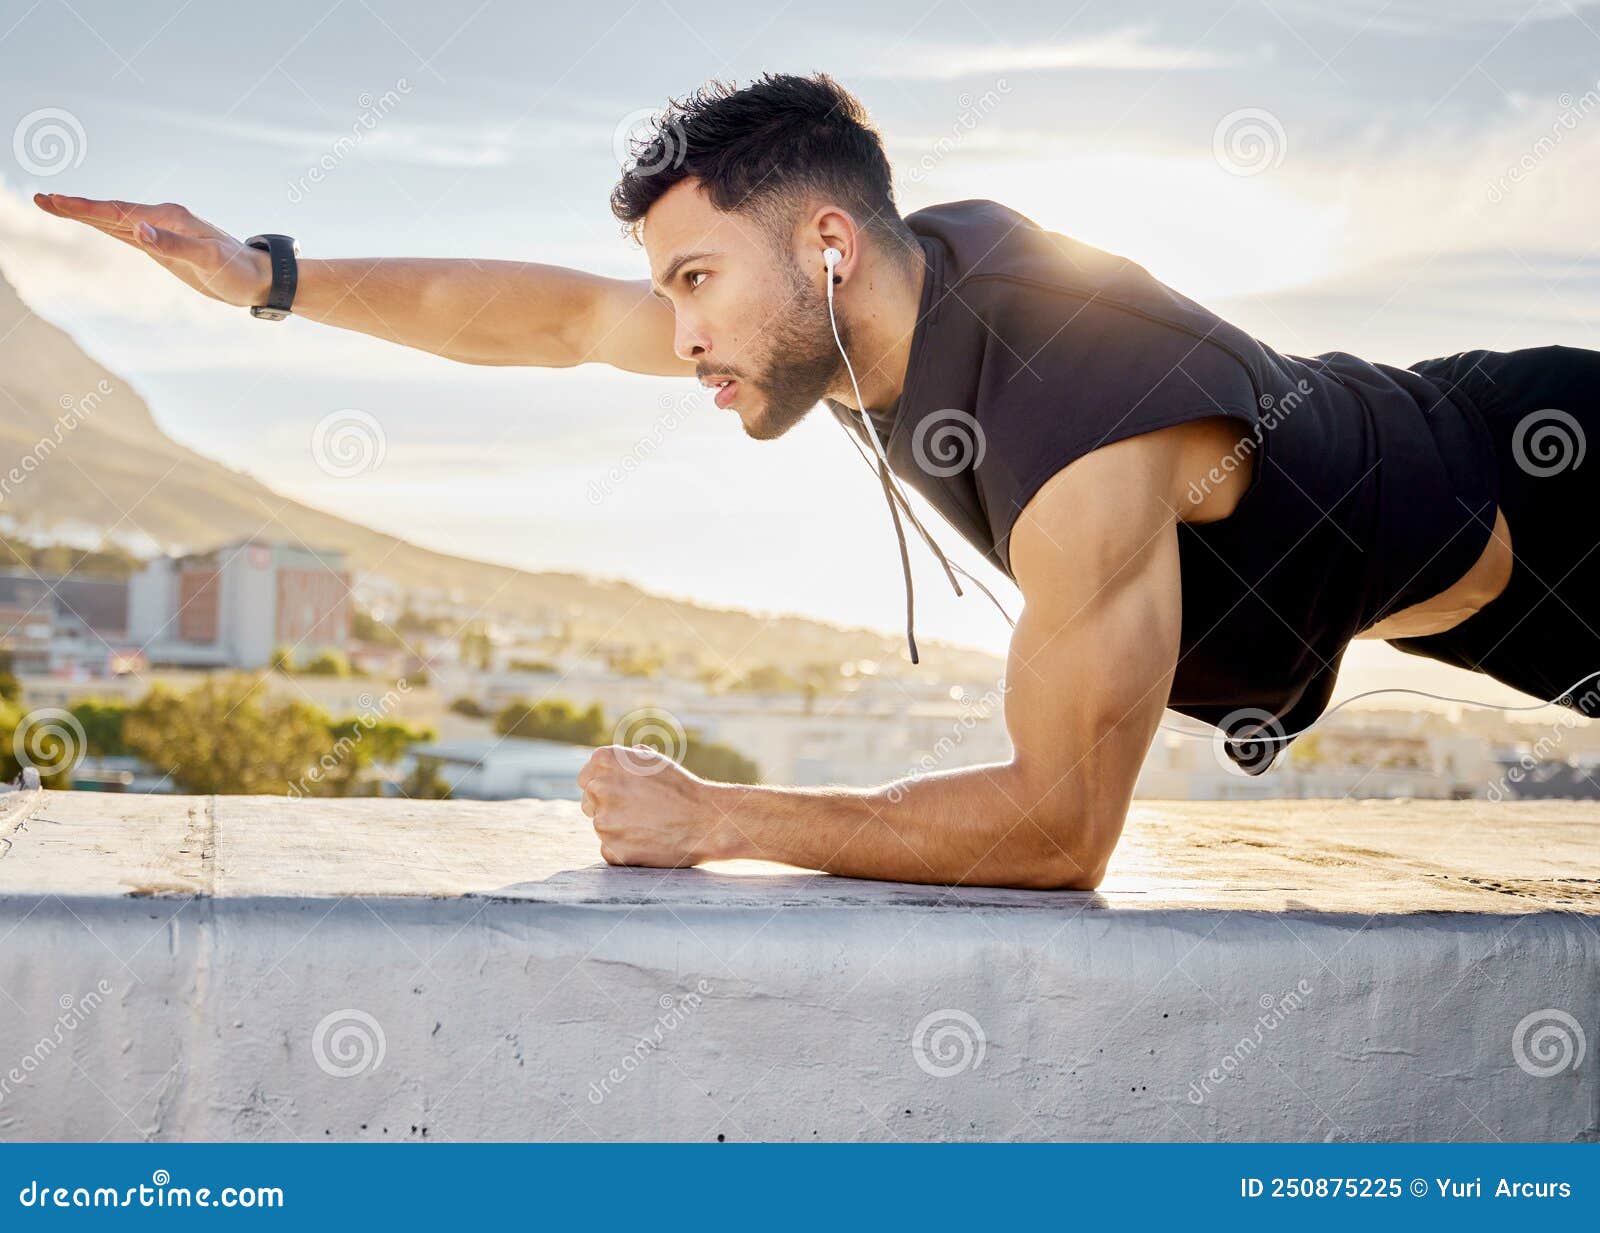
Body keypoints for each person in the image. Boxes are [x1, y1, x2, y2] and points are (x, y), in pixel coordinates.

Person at [36, 72, 1597, 891]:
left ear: (826, 244)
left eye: (699, 279)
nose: (679, 330)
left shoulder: (1078, 416)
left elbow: (1060, 831)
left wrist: (719, 816)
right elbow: (561, 318)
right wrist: (264, 275)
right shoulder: (861, 309)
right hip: (1488, 573)